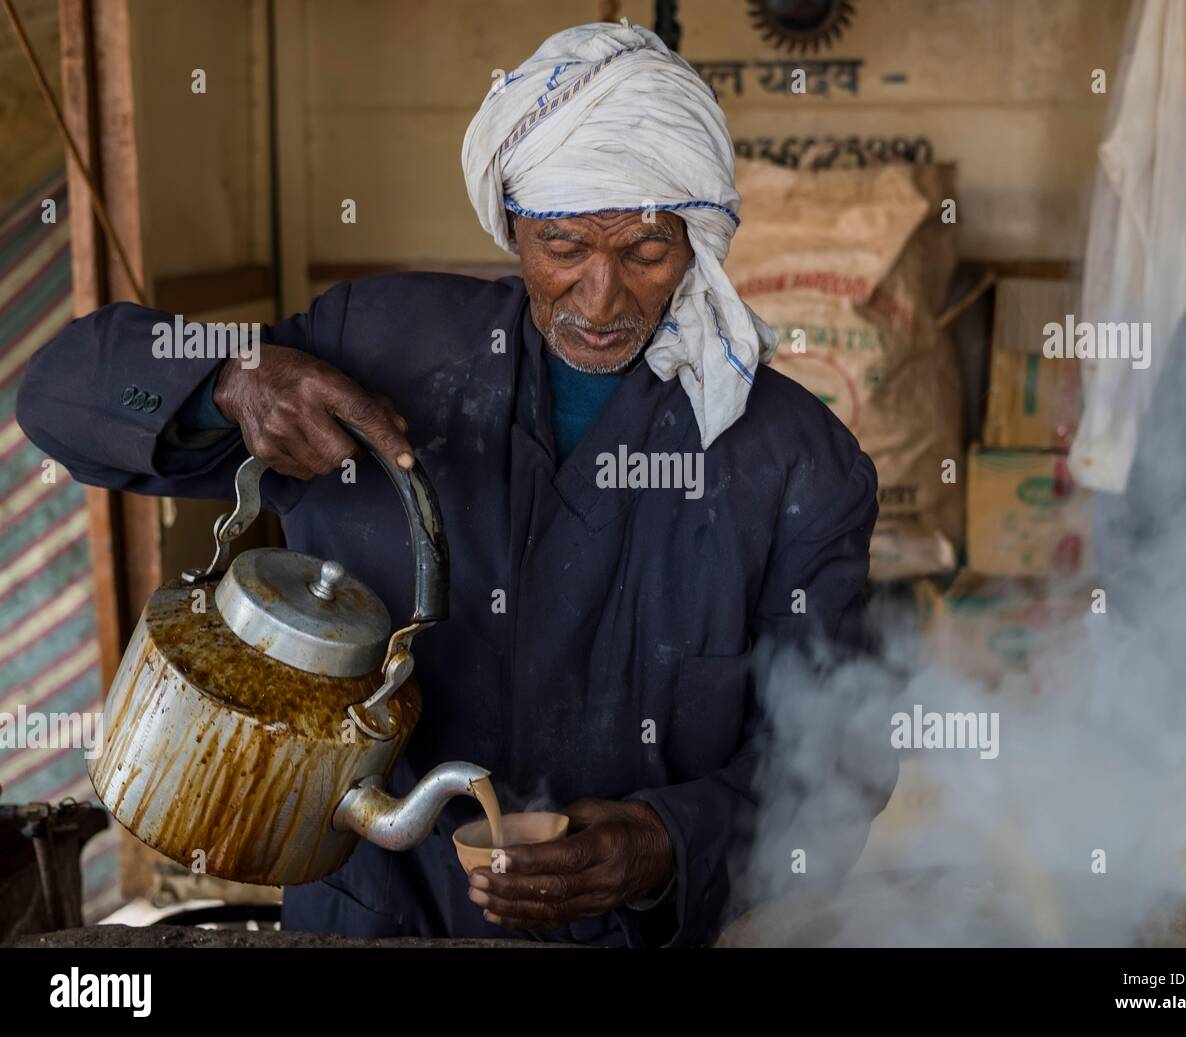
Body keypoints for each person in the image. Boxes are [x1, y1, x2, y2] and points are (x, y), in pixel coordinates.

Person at [17, 22, 893, 946]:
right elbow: (57, 393)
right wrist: (230, 379)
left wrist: (664, 841)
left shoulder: (797, 463)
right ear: (512, 220)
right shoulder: (383, 344)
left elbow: (836, 764)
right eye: (562, 246)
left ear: (700, 241)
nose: (601, 300)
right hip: (362, 922)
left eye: (646, 251)